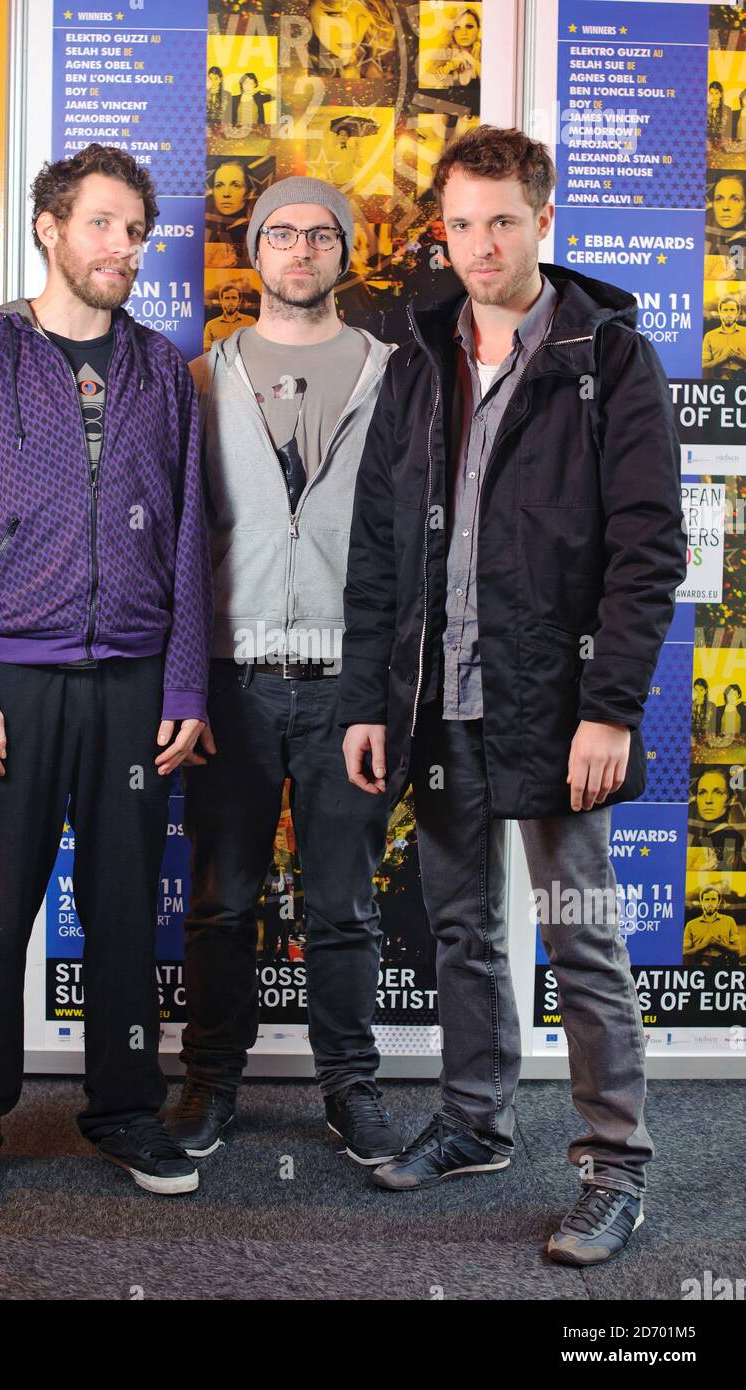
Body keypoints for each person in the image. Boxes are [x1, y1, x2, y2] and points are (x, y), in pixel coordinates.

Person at [338, 124, 687, 1265]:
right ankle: (476, 1121)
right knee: (461, 927)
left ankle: (613, 1165)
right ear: (440, 229)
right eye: (461, 222)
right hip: (439, 698)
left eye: (501, 220)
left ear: (543, 220)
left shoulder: (610, 358)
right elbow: (380, 546)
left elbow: (646, 550)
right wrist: (366, 701)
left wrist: (611, 706)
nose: (479, 243)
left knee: (579, 933)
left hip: (555, 697)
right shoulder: (416, 359)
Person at [0, 142, 212, 1211]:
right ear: (50, 228)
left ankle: (125, 1108)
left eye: (135, 231)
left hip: (132, 682)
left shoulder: (160, 370)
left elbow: (184, 542)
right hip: (10, 684)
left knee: (127, 910)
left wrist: (183, 687)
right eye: (103, 225)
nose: (123, 248)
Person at [166, 176, 401, 1165]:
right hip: (234, 680)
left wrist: (385, 688)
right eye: (282, 234)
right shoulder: (199, 379)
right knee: (222, 898)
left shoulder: (397, 376)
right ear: (254, 251)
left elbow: (413, 548)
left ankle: (350, 1089)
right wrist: (184, 684)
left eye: (319, 235)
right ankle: (211, 1082)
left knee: (342, 901)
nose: (300, 250)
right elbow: (173, 550)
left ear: (345, 252)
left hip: (351, 688)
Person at [682, 886, 740, 971]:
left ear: (718, 902)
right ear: (701, 901)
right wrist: (702, 945)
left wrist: (720, 944)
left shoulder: (729, 921)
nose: (710, 903)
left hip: (723, 966)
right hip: (698, 967)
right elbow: (685, 953)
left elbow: (737, 949)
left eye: (713, 899)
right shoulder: (690, 925)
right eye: (707, 899)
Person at [203, 281, 255, 351]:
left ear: (239, 300)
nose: (230, 302)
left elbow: (255, 347)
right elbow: (207, 352)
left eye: (234, 298)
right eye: (227, 298)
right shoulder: (211, 325)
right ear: (221, 300)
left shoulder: (251, 322)